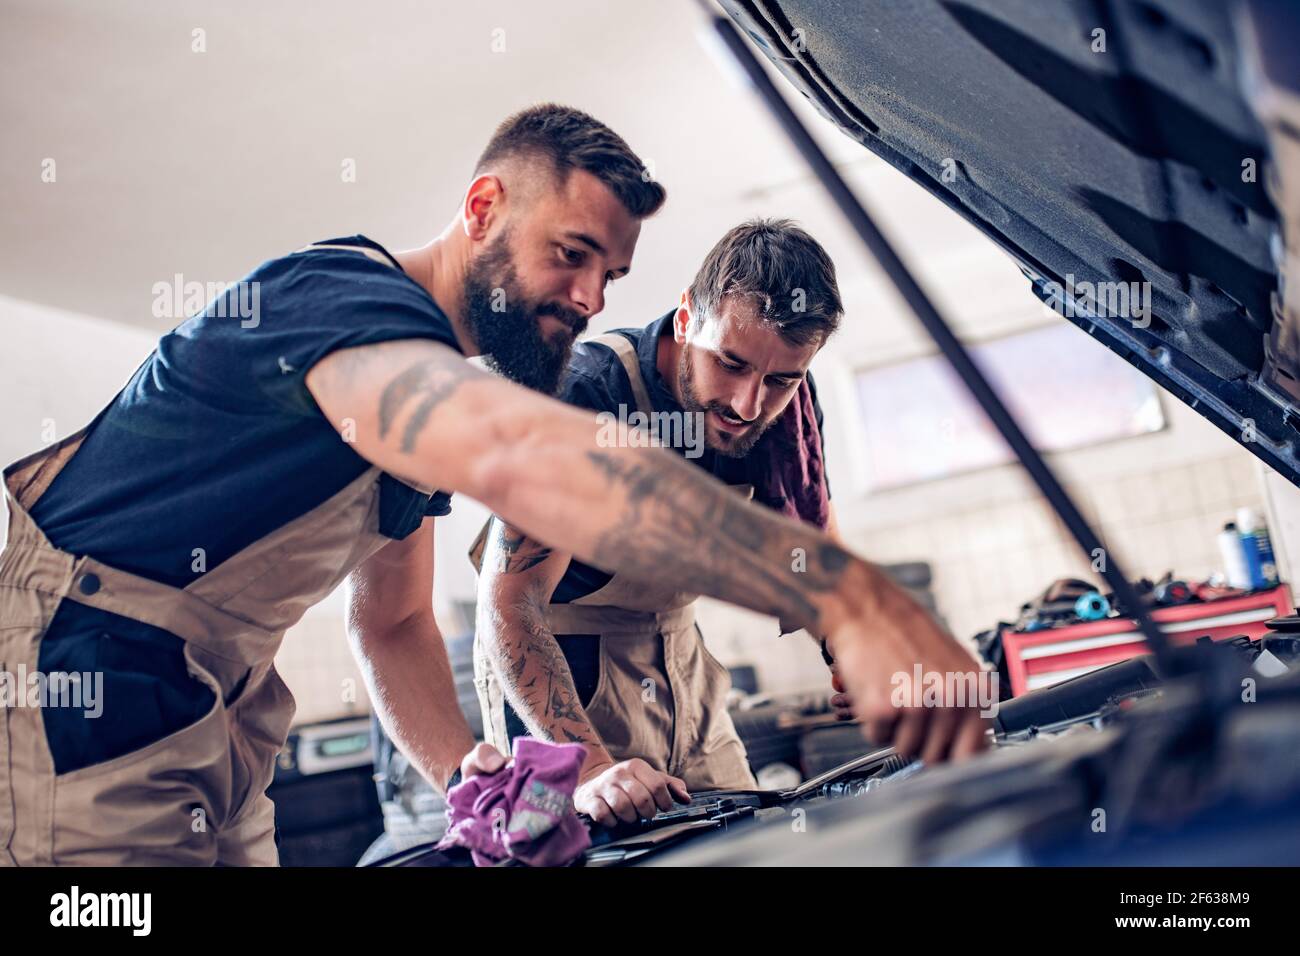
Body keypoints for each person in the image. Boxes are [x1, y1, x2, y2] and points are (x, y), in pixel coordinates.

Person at [0, 104, 984, 866]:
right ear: (482, 209)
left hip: (220, 713)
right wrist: (842, 590)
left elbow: (390, 624)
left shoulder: (421, 395)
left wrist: (466, 780)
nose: (592, 299)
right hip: (77, 678)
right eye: (571, 254)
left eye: (610, 271)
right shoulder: (336, 300)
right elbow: (515, 453)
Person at [474, 219, 856, 825]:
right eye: (729, 363)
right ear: (686, 318)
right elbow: (509, 607)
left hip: (682, 660)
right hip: (562, 668)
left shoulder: (784, 413)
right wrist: (591, 770)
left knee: (747, 839)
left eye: (782, 379)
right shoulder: (580, 401)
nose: (746, 404)